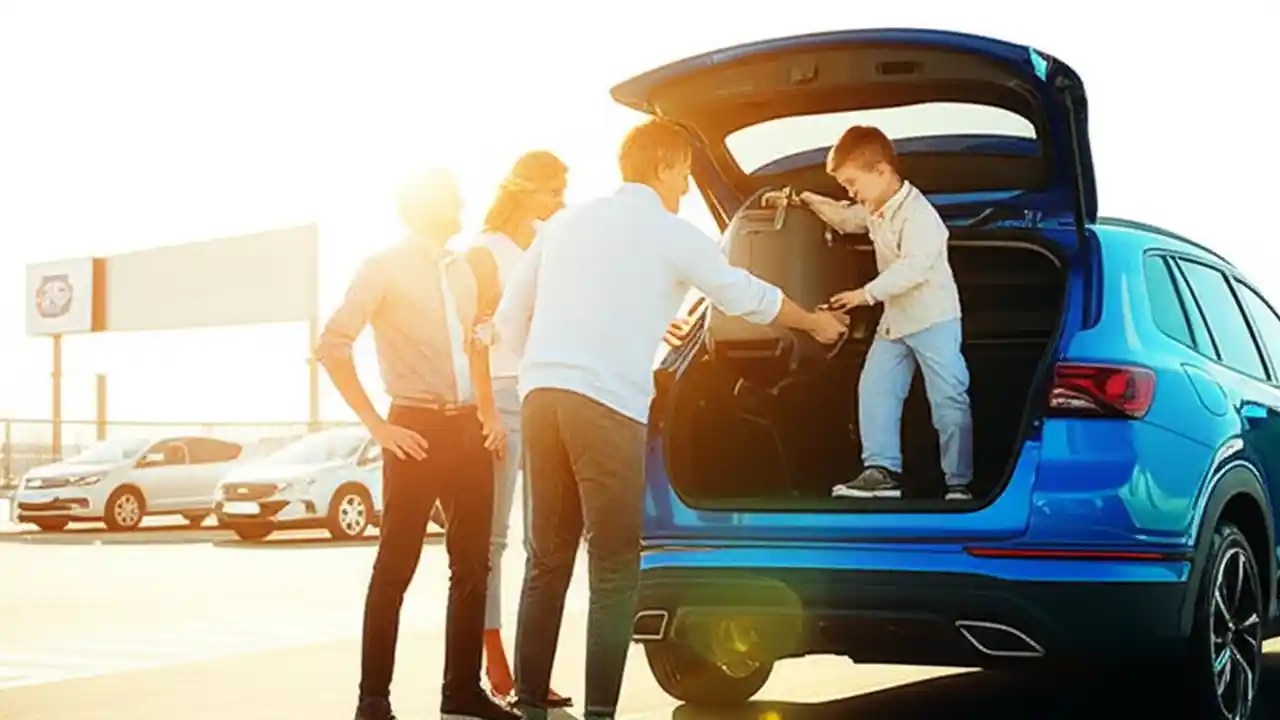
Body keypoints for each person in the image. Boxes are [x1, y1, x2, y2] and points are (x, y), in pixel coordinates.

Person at [494, 118, 847, 720]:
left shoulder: (562, 226)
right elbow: (744, 294)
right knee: (612, 567)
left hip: (543, 394)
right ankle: (601, 714)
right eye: (683, 172)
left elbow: (509, 318)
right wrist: (815, 322)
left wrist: (551, 367)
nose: (685, 185)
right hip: (606, 406)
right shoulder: (671, 232)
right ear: (662, 165)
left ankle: (529, 707)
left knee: (546, 561)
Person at [314, 167, 519, 720]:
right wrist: (378, 428)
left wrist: (489, 413)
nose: (460, 205)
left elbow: (476, 348)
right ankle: (373, 700)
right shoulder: (381, 267)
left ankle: (461, 693)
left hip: (469, 432)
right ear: (423, 207)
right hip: (414, 431)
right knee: (395, 567)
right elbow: (333, 346)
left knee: (474, 567)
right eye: (450, 198)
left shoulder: (464, 273)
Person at [798, 125, 974, 501]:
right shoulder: (874, 209)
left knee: (948, 399)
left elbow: (914, 269)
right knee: (876, 390)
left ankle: (959, 484)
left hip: (933, 319)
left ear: (881, 171)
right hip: (895, 323)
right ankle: (881, 472)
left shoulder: (920, 216)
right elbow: (846, 219)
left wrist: (863, 295)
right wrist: (806, 199)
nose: (850, 192)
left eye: (852, 183)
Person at [461, 150, 573, 707]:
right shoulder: (483, 253)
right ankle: (492, 657)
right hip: (501, 400)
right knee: (493, 539)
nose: (561, 203)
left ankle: (531, 672)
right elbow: (475, 339)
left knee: (544, 540)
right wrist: (485, 414)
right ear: (526, 190)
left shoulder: (546, 252)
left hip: (544, 395)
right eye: (554, 191)